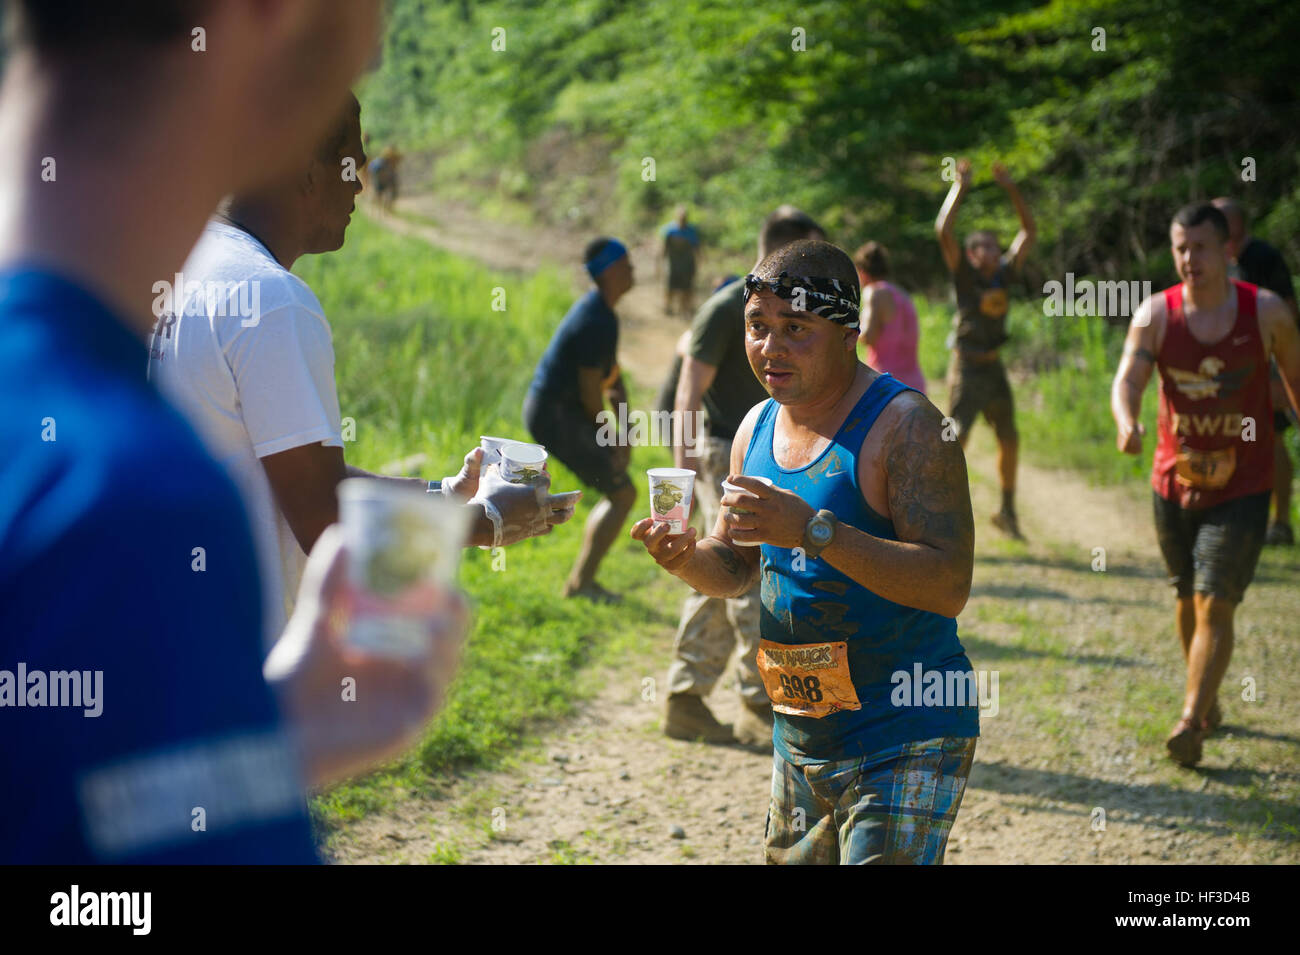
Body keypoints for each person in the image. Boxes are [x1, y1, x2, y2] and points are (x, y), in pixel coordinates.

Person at [0, 0, 470, 864]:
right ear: (273, 20)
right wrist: (468, 520)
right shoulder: (126, 495)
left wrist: (273, 733)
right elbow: (322, 513)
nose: (375, 35)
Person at [151, 95, 575, 648]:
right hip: (232, 657)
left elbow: (299, 480)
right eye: (351, 162)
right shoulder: (271, 301)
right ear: (304, 167)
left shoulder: (178, 263)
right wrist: (487, 522)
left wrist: (446, 493)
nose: (360, 185)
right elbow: (324, 522)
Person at [633, 239, 980, 865]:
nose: (771, 347)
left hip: (906, 728)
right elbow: (736, 568)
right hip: (800, 734)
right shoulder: (755, 428)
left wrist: (815, 532)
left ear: (849, 333)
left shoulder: (908, 428)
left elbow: (949, 582)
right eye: (758, 327)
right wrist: (686, 557)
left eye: (796, 329)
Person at [1111, 201, 1300, 767]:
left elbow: (1294, 379)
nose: (1189, 258)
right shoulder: (1156, 314)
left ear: (1226, 251)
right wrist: (1128, 420)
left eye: (1199, 247)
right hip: (1174, 480)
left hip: (1245, 481)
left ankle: (1191, 719)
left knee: (1216, 599)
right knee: (1186, 594)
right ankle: (1208, 695)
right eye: (1179, 248)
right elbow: (1129, 376)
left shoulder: (1265, 313)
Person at [665, 206, 825, 746]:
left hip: (768, 452)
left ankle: (686, 697)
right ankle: (758, 703)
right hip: (721, 453)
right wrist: (682, 475)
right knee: (741, 567)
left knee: (719, 568)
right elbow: (687, 392)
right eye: (809, 258)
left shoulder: (799, 311)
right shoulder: (724, 307)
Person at [524, 238, 637, 602]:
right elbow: (591, 393)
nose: (633, 268)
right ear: (610, 271)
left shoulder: (604, 314)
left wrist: (625, 431)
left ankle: (581, 582)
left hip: (564, 412)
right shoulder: (595, 319)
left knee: (620, 492)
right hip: (555, 416)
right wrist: (611, 436)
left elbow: (612, 380)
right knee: (622, 493)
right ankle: (581, 583)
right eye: (626, 262)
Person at [935, 158, 1036, 539]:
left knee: (1009, 437)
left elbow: (1028, 231)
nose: (995, 252)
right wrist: (961, 186)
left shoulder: (1005, 274)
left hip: (994, 367)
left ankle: (1007, 511)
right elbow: (943, 230)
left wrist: (1010, 187)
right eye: (986, 248)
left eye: (997, 247)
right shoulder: (964, 274)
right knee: (955, 438)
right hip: (966, 367)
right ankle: (939, 516)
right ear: (973, 254)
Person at [1212, 197, 1299, 545]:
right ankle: (1241, 518)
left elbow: (1288, 313)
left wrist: (1278, 370)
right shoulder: (1221, 263)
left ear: (1236, 225)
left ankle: (1280, 523)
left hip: (1269, 364)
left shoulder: (1263, 258)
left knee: (1272, 437)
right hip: (1233, 368)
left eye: (1218, 223)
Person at [853, 241, 926, 393]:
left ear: (862, 272)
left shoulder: (873, 292)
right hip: (914, 383)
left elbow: (868, 336)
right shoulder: (903, 294)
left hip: (884, 383)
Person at [661, 205, 699, 318]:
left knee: (687, 288)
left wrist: (700, 261)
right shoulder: (670, 230)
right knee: (670, 287)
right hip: (673, 264)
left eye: (684, 217)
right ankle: (667, 307)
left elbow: (697, 248)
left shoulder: (691, 231)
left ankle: (684, 309)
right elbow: (664, 248)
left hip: (687, 264)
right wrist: (660, 262)